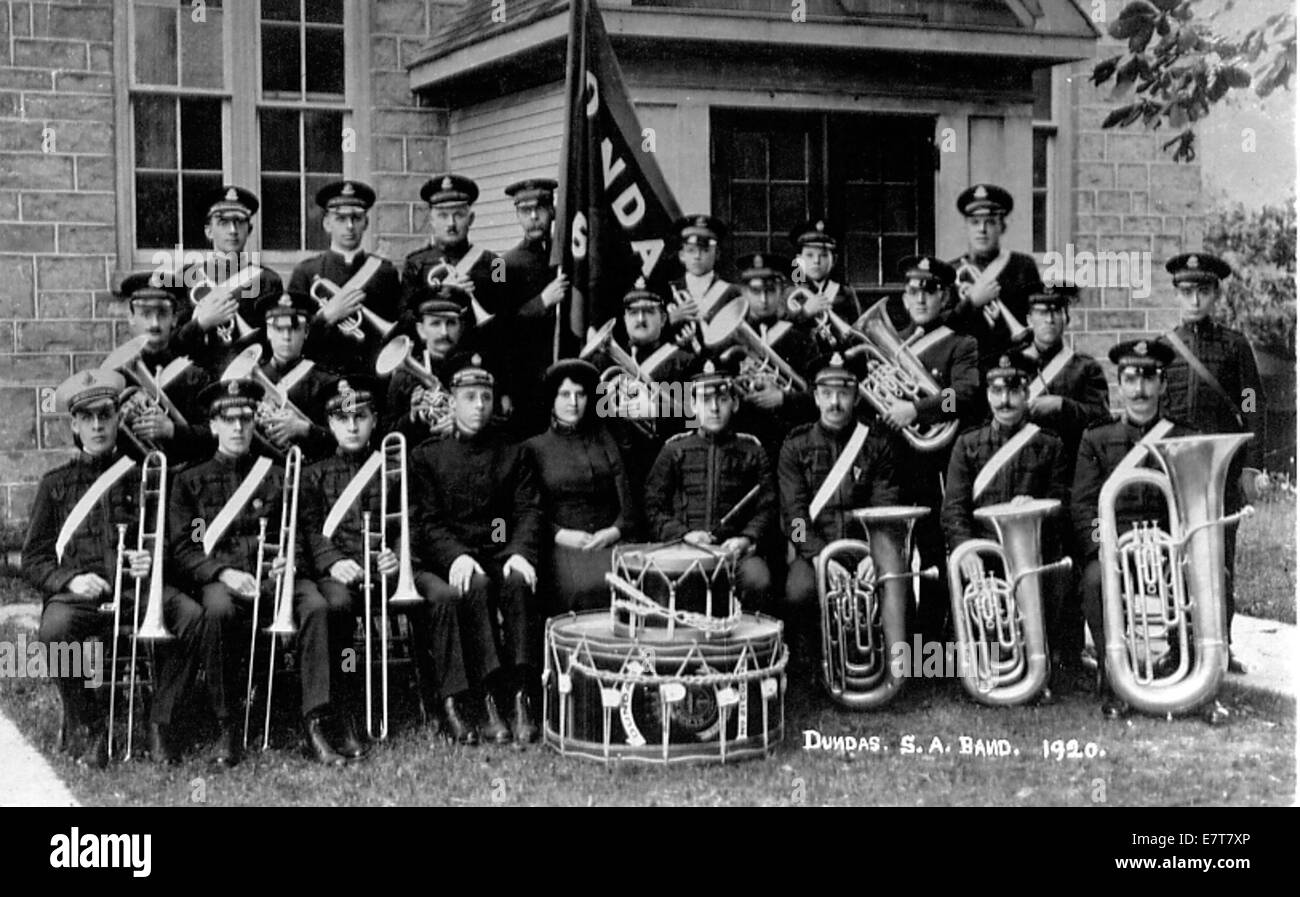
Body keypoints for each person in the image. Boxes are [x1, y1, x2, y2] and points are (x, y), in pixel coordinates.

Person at [22, 370, 205, 767]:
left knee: (193, 617)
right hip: (81, 596)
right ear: (75, 425)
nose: (98, 425)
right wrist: (69, 578)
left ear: (116, 418)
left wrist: (152, 562)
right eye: (87, 417)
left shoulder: (145, 474)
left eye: (105, 414)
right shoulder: (55, 484)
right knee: (54, 632)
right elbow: (33, 558)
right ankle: (87, 724)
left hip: (135, 592)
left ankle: (161, 722)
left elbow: (174, 543)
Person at [169, 379, 355, 766]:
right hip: (227, 581)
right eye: (228, 419)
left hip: (279, 576)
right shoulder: (189, 480)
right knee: (217, 612)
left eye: (245, 419)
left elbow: (304, 532)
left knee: (317, 607)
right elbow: (184, 549)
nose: (238, 428)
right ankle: (227, 724)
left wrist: (292, 563)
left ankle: (315, 722)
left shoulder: (281, 475)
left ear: (254, 424)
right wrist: (222, 573)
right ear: (214, 424)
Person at [298, 375, 477, 744]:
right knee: (338, 607)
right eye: (343, 419)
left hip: (392, 569)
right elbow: (310, 531)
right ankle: (344, 705)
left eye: (360, 417)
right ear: (330, 424)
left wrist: (399, 554)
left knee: (442, 597)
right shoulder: (313, 475)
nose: (352, 426)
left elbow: (410, 519)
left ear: (374, 420)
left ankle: (449, 702)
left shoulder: (393, 465)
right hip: (342, 573)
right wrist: (332, 562)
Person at [409, 353, 543, 744]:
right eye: (469, 397)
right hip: (459, 556)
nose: (479, 406)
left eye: (485, 397)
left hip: (502, 550)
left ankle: (520, 697)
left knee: (518, 582)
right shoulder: (428, 456)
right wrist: (456, 556)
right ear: (452, 401)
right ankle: (487, 698)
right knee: (476, 585)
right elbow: (427, 522)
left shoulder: (513, 451)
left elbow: (528, 510)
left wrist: (519, 551)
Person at [1070, 340, 1194, 719]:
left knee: (1211, 578)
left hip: (1168, 547)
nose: (1139, 390)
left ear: (1162, 385)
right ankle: (1114, 674)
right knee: (1093, 580)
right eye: (1130, 379)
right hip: (1115, 548)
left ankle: (1187, 666)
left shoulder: (1184, 436)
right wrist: (1102, 548)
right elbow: (1084, 506)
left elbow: (1191, 504)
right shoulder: (1096, 437)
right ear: (1119, 385)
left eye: (1148, 379)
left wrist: (1178, 549)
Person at [941, 353, 1071, 695]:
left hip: (1033, 555)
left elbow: (1061, 504)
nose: (1005, 400)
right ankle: (989, 663)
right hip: (985, 557)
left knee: (1055, 579)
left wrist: (1038, 507)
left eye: (1013, 390)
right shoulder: (967, 444)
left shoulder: (1049, 445)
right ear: (987, 395)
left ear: (1027, 394)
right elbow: (953, 509)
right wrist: (966, 548)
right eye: (997, 390)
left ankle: (1041, 663)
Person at [1159, 251, 1263, 674]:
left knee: (1221, 556)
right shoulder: (1165, 347)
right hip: (1178, 472)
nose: (1195, 299)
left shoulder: (1235, 346)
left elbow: (1252, 404)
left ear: (1216, 294)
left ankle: (1221, 642)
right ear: (1177, 295)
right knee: (1176, 556)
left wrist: (1252, 467)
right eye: (1187, 292)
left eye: (1203, 291)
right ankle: (1175, 643)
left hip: (1221, 472)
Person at [778, 352, 902, 669]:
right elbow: (794, 518)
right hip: (816, 552)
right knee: (799, 592)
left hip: (865, 550)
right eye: (828, 394)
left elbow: (885, 506)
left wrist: (877, 554)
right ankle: (811, 669)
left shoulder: (877, 443)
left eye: (843, 393)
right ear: (816, 397)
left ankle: (887, 663)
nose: (835, 402)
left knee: (892, 586)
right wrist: (819, 556)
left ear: (857, 396)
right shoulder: (795, 445)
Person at [878, 256, 979, 646]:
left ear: (945, 296)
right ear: (904, 298)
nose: (921, 298)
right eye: (913, 291)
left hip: (937, 461)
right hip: (896, 462)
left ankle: (935, 644)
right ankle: (900, 643)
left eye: (930, 291)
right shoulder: (893, 343)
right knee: (895, 557)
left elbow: (966, 396)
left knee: (934, 552)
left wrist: (915, 410)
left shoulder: (960, 343)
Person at [1017, 281, 1110, 676]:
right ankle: (1031, 648)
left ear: (1066, 318)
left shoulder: (1084, 366)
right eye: (1041, 312)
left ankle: (1070, 653)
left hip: (1072, 476)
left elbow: (1102, 418)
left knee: (1069, 565)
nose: (1049, 318)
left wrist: (1063, 405)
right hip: (1026, 476)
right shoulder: (1013, 363)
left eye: (1056, 312)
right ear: (1029, 319)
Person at [645, 358, 777, 610]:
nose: (714, 408)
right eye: (705, 400)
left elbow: (768, 507)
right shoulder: (674, 450)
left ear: (735, 403)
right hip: (684, 551)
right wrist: (684, 535)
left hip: (736, 554)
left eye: (722, 399)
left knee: (758, 580)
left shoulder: (752, 449)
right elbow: (653, 508)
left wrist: (746, 539)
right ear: (693, 405)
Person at [525, 359, 631, 615]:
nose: (573, 402)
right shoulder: (533, 449)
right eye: (564, 394)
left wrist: (614, 531)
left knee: (633, 584)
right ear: (552, 399)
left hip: (612, 541)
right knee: (584, 589)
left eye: (580, 394)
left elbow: (629, 498)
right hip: (562, 545)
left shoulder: (607, 439)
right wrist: (560, 534)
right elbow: (525, 510)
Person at [585, 280, 698, 510]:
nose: (640, 319)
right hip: (618, 472)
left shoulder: (684, 362)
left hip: (667, 468)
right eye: (633, 313)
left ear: (664, 318)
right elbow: (596, 420)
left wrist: (653, 410)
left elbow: (693, 418)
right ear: (624, 319)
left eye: (649, 311)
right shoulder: (603, 362)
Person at [289, 180, 402, 377]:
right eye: (340, 219)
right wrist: (326, 316)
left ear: (366, 223)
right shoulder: (306, 272)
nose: (349, 226)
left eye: (356, 218)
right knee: (344, 408)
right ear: (327, 223)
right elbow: (293, 336)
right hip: (323, 378)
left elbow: (397, 330)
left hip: (372, 375)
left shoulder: (385, 272)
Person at [170, 185, 282, 375]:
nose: (233, 230)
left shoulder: (267, 280)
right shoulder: (187, 277)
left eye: (240, 222)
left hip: (251, 376)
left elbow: (275, 341)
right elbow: (173, 343)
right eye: (223, 222)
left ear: (250, 229)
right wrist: (202, 322)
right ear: (209, 231)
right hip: (199, 376)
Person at [110, 271, 214, 467]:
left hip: (185, 484)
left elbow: (216, 434)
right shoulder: (113, 376)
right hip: (128, 483)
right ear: (131, 317)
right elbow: (85, 436)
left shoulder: (194, 375)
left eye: (163, 314)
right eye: (146, 314)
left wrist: (172, 430)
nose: (154, 324)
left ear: (175, 318)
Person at [727, 251, 818, 464]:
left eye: (770, 290)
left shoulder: (800, 339)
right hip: (742, 444)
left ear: (781, 291)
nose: (764, 299)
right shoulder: (730, 340)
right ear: (743, 292)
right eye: (756, 291)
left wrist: (783, 399)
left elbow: (818, 393)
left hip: (790, 444)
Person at [401, 174, 503, 354]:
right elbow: (404, 317)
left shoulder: (496, 263)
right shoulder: (414, 263)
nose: (451, 224)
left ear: (471, 219)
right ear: (431, 221)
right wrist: (442, 293)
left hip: (478, 356)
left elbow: (506, 317)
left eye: (459, 215)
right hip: (433, 358)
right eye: (443, 216)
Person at [501, 178, 570, 438]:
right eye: (525, 211)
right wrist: (542, 302)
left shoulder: (568, 256)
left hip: (566, 366)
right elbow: (499, 326)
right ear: (517, 215)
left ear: (552, 210)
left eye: (540, 209)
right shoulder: (501, 264)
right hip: (526, 377)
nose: (533, 217)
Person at [946, 183, 1043, 367]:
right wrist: (972, 302)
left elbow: (1036, 321)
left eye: (990, 222)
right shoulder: (952, 272)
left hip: (1011, 365)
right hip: (966, 369)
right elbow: (946, 330)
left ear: (1002, 227)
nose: (981, 229)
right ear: (965, 227)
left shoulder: (1023, 266)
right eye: (974, 222)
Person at [384, 283, 480, 446]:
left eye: (451, 323)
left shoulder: (478, 367)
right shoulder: (403, 378)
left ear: (461, 327)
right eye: (435, 323)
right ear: (421, 330)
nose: (444, 332)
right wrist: (415, 417)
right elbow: (388, 436)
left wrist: (465, 424)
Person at [247, 291, 338, 462]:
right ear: (268, 331)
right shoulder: (250, 378)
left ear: (306, 332)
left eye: (295, 328)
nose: (286, 336)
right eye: (278, 328)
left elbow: (353, 432)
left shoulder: (334, 382)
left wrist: (305, 429)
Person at [665, 214, 741, 352]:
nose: (697, 256)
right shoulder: (668, 290)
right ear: (681, 255)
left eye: (705, 250)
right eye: (691, 250)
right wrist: (671, 319)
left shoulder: (731, 292)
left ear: (717, 254)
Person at [784, 218, 862, 349]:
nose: (816, 261)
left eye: (824, 255)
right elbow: (782, 335)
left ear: (834, 260)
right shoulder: (790, 293)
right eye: (809, 255)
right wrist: (804, 313)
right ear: (798, 261)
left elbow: (858, 334)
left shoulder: (846, 292)